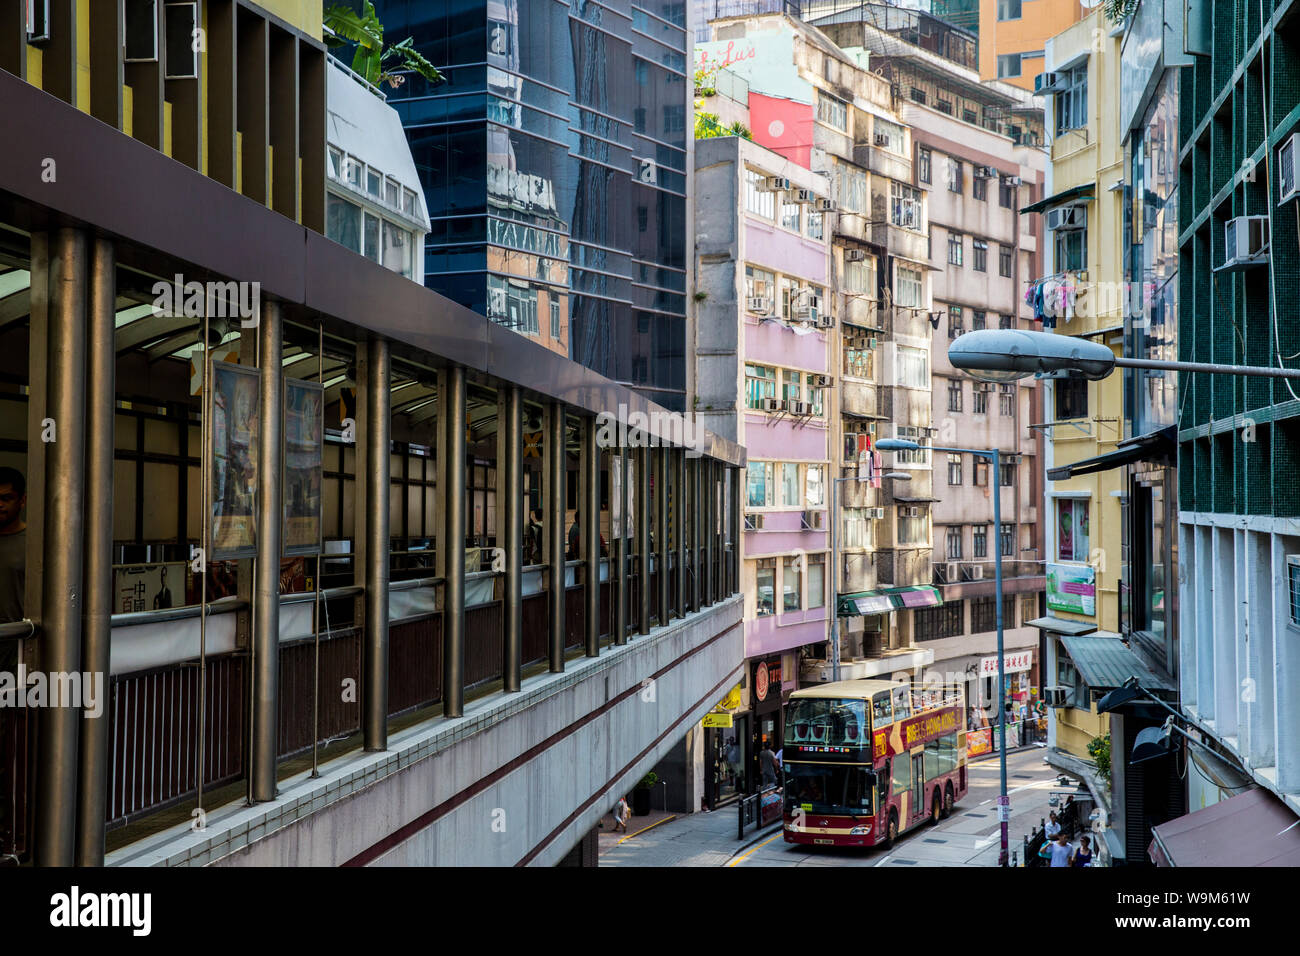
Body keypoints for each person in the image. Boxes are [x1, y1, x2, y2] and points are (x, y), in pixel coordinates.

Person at [0, 466, 26, 628]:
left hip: (18, 641)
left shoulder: (34, 544)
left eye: (6, 498)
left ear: (22, 501)